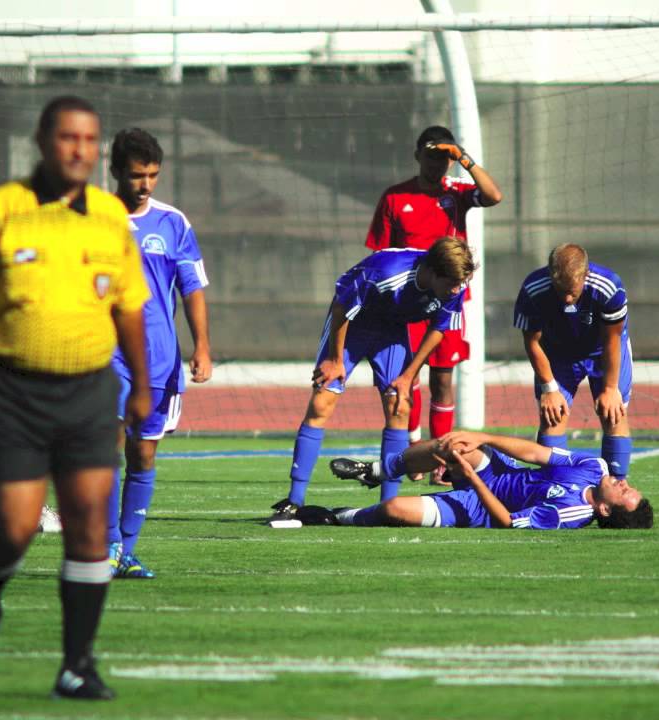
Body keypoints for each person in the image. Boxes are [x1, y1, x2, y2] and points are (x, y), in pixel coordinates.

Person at [0, 95, 152, 701]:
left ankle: (77, 665)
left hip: (88, 391)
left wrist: (142, 383)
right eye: (67, 138)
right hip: (12, 392)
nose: (79, 149)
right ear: (41, 141)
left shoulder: (110, 217)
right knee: (15, 526)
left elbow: (129, 303)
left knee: (86, 525)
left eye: (89, 140)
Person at [268, 237, 477, 523]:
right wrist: (335, 359)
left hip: (392, 331)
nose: (457, 290)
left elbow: (438, 330)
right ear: (434, 273)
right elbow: (342, 307)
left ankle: (388, 505)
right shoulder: (386, 272)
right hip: (353, 324)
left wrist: (408, 376)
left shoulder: (455, 283)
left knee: (399, 407)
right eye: (452, 283)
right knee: (322, 403)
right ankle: (294, 500)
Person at [365, 126, 503, 484]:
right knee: (404, 378)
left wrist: (465, 159)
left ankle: (441, 461)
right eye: (431, 156)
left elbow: (494, 195)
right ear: (417, 156)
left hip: (449, 302)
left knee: (443, 380)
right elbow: (380, 255)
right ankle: (413, 449)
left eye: (444, 157)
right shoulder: (395, 198)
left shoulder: (456, 193)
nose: (437, 164)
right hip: (408, 303)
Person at [104, 128, 212, 580]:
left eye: (152, 175)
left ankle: (124, 551)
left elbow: (192, 288)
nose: (145, 184)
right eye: (135, 176)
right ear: (114, 173)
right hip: (103, 352)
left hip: (159, 358)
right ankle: (106, 544)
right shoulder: (90, 218)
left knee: (143, 454)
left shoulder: (173, 223)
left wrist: (202, 346)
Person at [318, 430, 652, 530]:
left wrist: (467, 478)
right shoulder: (596, 467)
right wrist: (483, 439)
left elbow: (507, 521)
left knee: (393, 509)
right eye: (628, 485)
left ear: (605, 511)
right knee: (454, 443)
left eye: (624, 492)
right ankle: (376, 471)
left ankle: (337, 515)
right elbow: (536, 454)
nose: (623, 482)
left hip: (480, 508)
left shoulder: (569, 514)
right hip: (499, 473)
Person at [514, 243, 634, 480]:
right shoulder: (532, 290)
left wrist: (610, 389)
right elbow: (532, 342)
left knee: (614, 413)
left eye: (573, 290)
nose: (567, 299)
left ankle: (617, 487)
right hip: (557, 354)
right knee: (552, 416)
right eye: (561, 290)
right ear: (551, 277)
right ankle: (554, 487)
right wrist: (549, 388)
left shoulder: (609, 287)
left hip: (602, 351)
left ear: (585, 275)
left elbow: (612, 339)